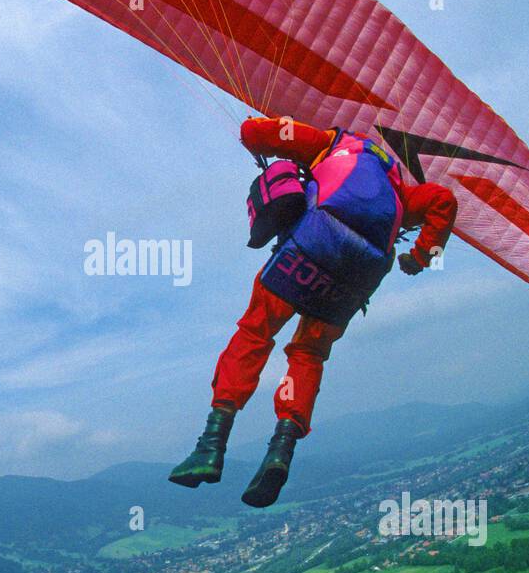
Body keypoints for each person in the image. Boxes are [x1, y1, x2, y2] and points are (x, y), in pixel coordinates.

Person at [169, 116, 459, 507]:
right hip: (357, 274)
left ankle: (211, 445)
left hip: (311, 247)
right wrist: (420, 256)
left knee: (255, 333)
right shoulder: (401, 192)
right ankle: (281, 450)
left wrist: (261, 135)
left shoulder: (331, 143)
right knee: (308, 354)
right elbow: (445, 201)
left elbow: (256, 132)